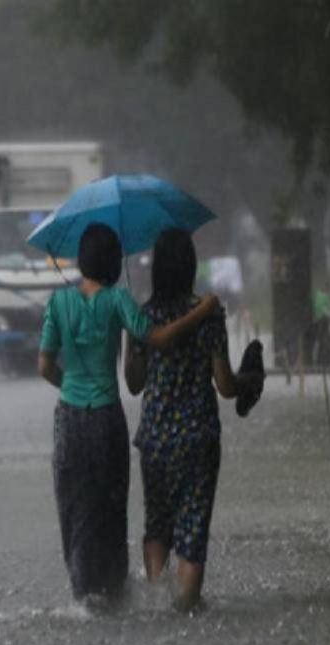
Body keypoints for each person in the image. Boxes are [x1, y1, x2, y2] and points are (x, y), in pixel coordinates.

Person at [38, 223, 220, 606]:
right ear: (111, 261)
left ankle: (83, 593)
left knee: (74, 506)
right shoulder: (119, 301)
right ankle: (114, 591)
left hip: (69, 419)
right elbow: (159, 339)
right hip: (106, 418)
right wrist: (201, 310)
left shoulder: (57, 303)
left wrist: (71, 387)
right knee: (110, 506)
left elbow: (44, 366)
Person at [124, 229, 261, 613]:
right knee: (192, 528)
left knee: (157, 523)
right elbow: (225, 385)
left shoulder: (142, 317)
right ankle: (185, 605)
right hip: (198, 438)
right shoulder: (208, 315)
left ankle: (156, 600)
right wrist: (250, 380)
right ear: (189, 268)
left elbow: (134, 385)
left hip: (153, 437)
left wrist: (132, 342)